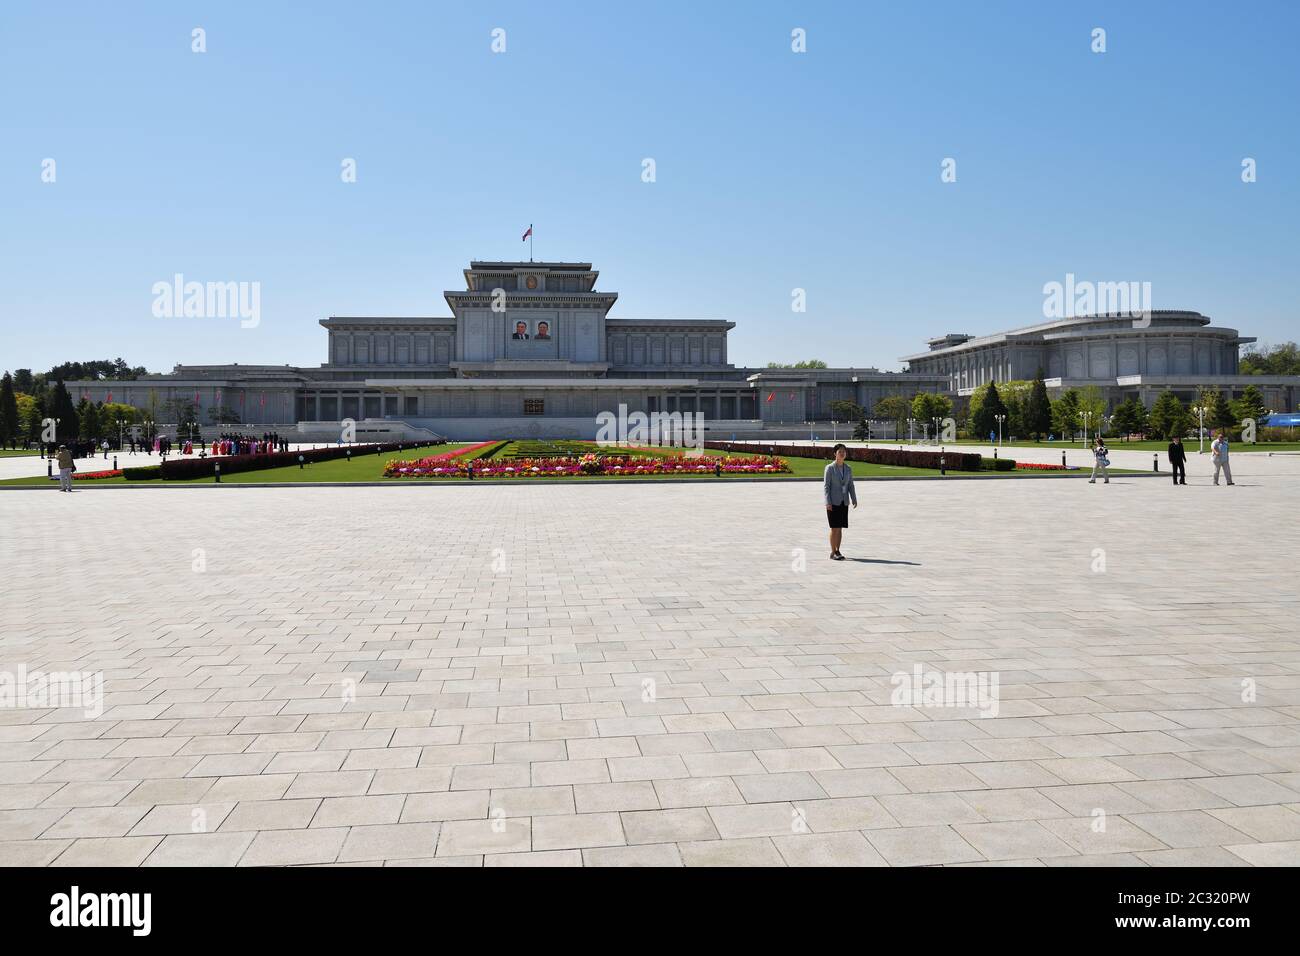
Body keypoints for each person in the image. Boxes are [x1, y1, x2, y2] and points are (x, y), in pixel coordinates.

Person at [823, 443, 857, 560]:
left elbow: (851, 485)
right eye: (840, 452)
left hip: (844, 501)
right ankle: (833, 552)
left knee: (840, 527)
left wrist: (854, 498)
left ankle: (837, 550)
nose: (842, 454)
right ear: (835, 454)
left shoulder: (848, 468)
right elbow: (826, 486)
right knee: (834, 527)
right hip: (833, 502)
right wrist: (828, 502)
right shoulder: (830, 468)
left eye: (844, 452)